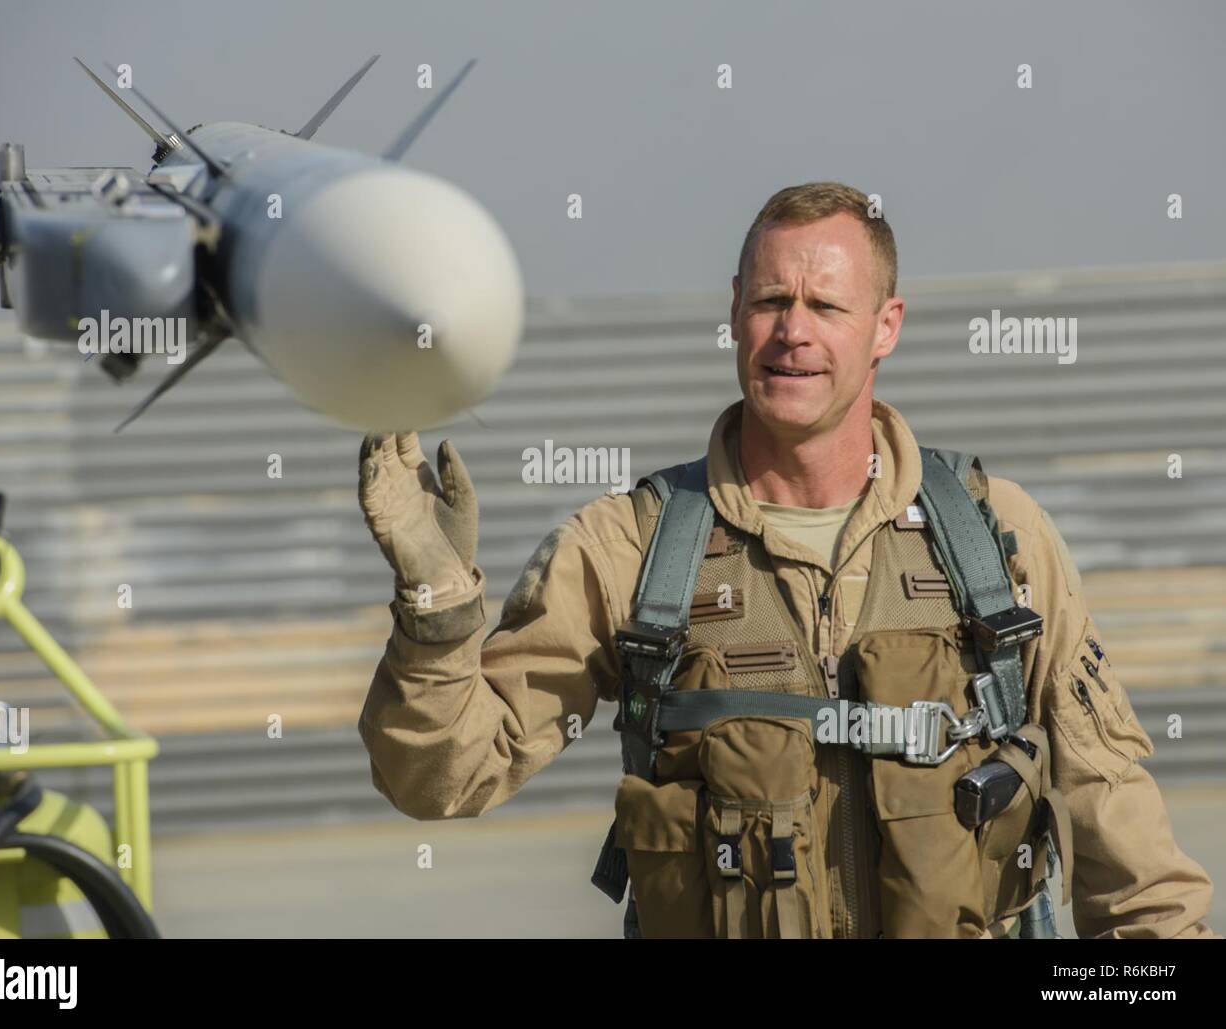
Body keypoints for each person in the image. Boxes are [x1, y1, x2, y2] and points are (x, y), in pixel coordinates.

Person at [357, 181, 1215, 938]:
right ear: (734, 311)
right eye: (771, 300)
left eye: (826, 307)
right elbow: (443, 777)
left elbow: (1114, 816)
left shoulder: (998, 540)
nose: (791, 331)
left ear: (886, 327)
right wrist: (436, 602)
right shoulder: (632, 549)